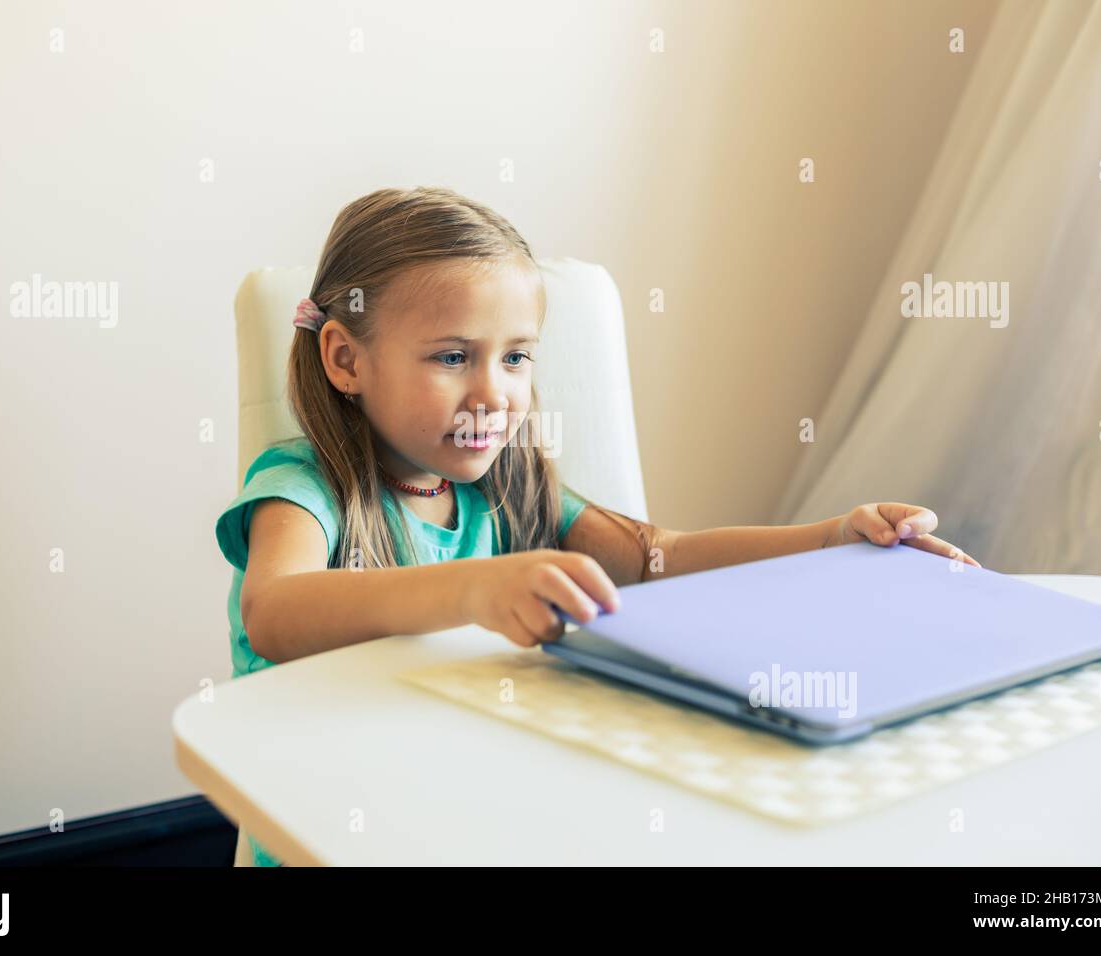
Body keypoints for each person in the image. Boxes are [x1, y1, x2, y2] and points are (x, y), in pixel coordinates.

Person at [215, 186, 979, 866]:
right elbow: (276, 613)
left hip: (468, 808)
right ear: (346, 358)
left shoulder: (509, 486)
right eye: (452, 356)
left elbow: (657, 558)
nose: (496, 391)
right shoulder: (302, 485)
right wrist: (472, 588)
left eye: (515, 357)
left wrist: (827, 539)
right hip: (337, 827)